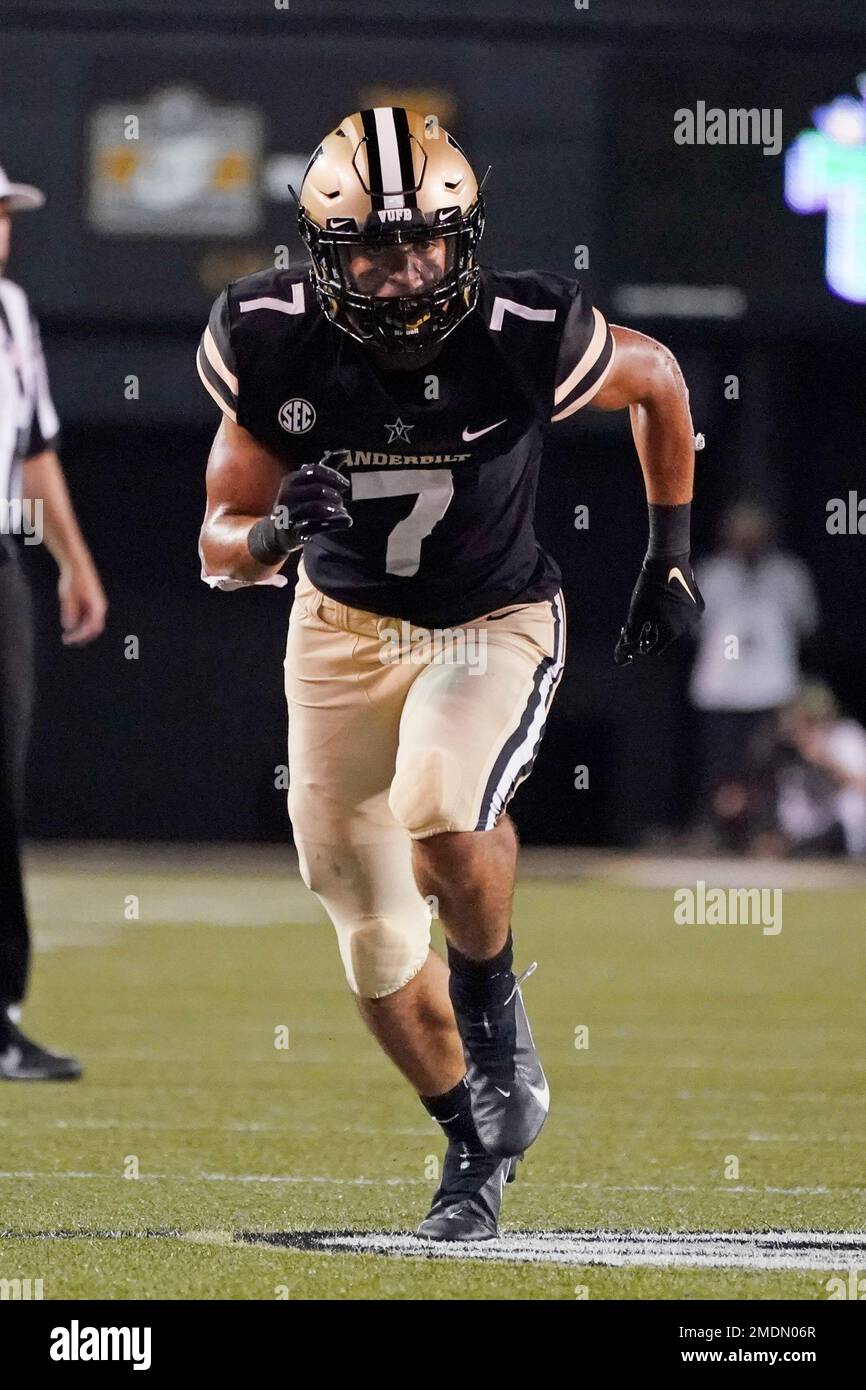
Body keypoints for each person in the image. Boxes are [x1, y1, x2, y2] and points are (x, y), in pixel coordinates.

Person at [197, 108, 704, 1238]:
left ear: (465, 235)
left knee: (439, 801)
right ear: (325, 256)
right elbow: (217, 548)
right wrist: (275, 533)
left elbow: (660, 379)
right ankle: (473, 1149)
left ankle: (494, 1022)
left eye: (429, 241)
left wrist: (666, 554)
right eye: (376, 248)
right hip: (335, 628)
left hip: (492, 618)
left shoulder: (525, 328)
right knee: (373, 937)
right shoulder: (270, 338)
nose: (406, 269)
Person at [0, 164, 107, 1080]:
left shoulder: (11, 311)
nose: (1, 230)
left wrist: (72, 560)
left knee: (2, 785)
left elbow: (34, 448)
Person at [689, 501, 819, 831]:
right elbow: (691, 626)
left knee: (769, 766)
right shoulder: (711, 573)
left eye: (754, 532)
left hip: (771, 689)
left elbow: (807, 624)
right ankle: (718, 831)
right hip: (721, 690)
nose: (747, 540)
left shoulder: (789, 574)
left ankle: (767, 832)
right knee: (720, 769)